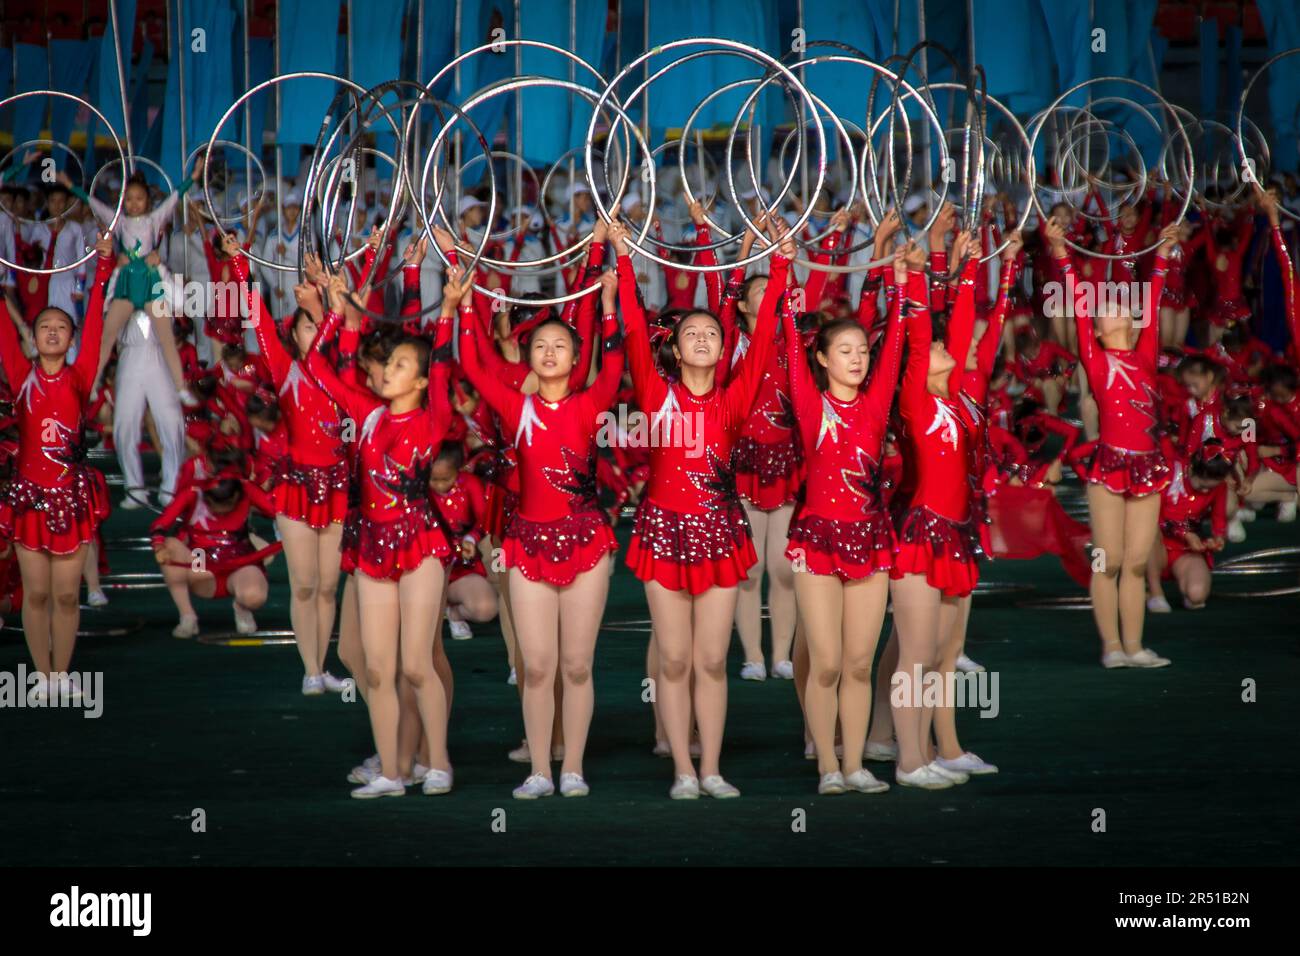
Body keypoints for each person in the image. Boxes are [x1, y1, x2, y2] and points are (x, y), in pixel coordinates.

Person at [613, 216, 789, 799]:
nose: (702, 337)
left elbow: (763, 339)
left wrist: (782, 262)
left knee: (713, 661)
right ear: (676, 347)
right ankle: (682, 770)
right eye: (691, 331)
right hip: (663, 532)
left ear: (721, 347)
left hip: (719, 532)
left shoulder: (736, 399)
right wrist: (620, 256)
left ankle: (711, 767)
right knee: (675, 659)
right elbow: (635, 326)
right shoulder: (654, 392)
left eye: (711, 332)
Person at [458, 266, 624, 798]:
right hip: (526, 541)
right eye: (541, 346)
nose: (550, 352)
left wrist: (610, 302)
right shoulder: (515, 405)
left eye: (561, 345)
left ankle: (572, 766)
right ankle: (538, 770)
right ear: (528, 358)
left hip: (586, 541)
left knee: (576, 665)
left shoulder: (590, 404)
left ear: (577, 360)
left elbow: (617, 362)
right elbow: (469, 364)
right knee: (536, 667)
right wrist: (461, 308)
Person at [305, 267, 456, 799]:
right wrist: (338, 312)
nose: (387, 370)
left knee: (416, 663)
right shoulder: (366, 414)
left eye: (399, 365)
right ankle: (392, 772)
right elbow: (317, 367)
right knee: (378, 668)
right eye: (387, 363)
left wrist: (449, 313)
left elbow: (440, 362)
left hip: (419, 542)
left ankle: (437, 763)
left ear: (419, 380)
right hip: (372, 546)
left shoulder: (433, 417)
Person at [1048, 218, 1179, 669]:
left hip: (1146, 464)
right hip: (1108, 467)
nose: (1116, 308)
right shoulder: (1096, 358)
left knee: (1138, 563)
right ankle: (1111, 647)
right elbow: (1079, 307)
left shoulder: (1144, 354)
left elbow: (1156, 295)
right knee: (1108, 559)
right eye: (1107, 308)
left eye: (1122, 306)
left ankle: (1136, 646)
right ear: (1100, 331)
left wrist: (1162, 252)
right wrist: (1061, 252)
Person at [0, 232, 114, 703]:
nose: (50, 331)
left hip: (70, 497)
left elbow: (95, 325)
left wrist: (103, 274)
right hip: (28, 496)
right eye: (43, 325)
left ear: (69, 339)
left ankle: (62, 671)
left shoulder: (80, 375)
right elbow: (4, 329)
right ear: (34, 337)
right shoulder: (20, 372)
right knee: (38, 594)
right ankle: (42, 674)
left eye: (59, 327)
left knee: (67, 596)